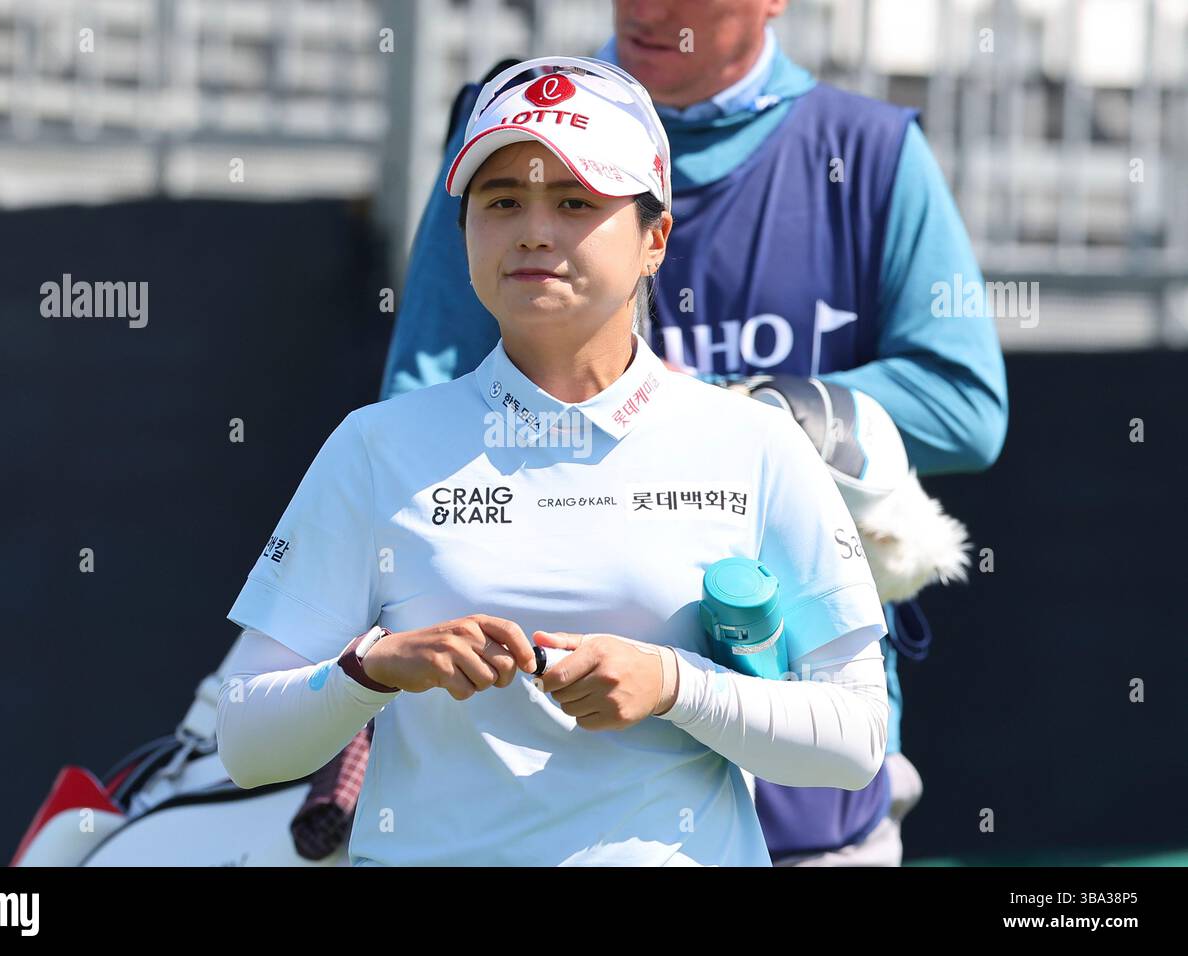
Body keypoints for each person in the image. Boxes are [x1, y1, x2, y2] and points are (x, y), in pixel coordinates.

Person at [217, 56, 890, 866]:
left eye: (575, 202)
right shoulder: (374, 445)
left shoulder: (754, 442)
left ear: (655, 239)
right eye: (502, 202)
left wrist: (676, 687)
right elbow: (247, 740)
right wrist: (373, 668)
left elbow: (854, 741)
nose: (534, 230)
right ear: (464, 230)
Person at [378, 1, 1009, 865]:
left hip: (800, 761)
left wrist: (706, 409)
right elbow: (420, 392)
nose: (648, 8)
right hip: (533, 773)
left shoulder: (870, 150)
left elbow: (965, 403)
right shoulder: (507, 123)